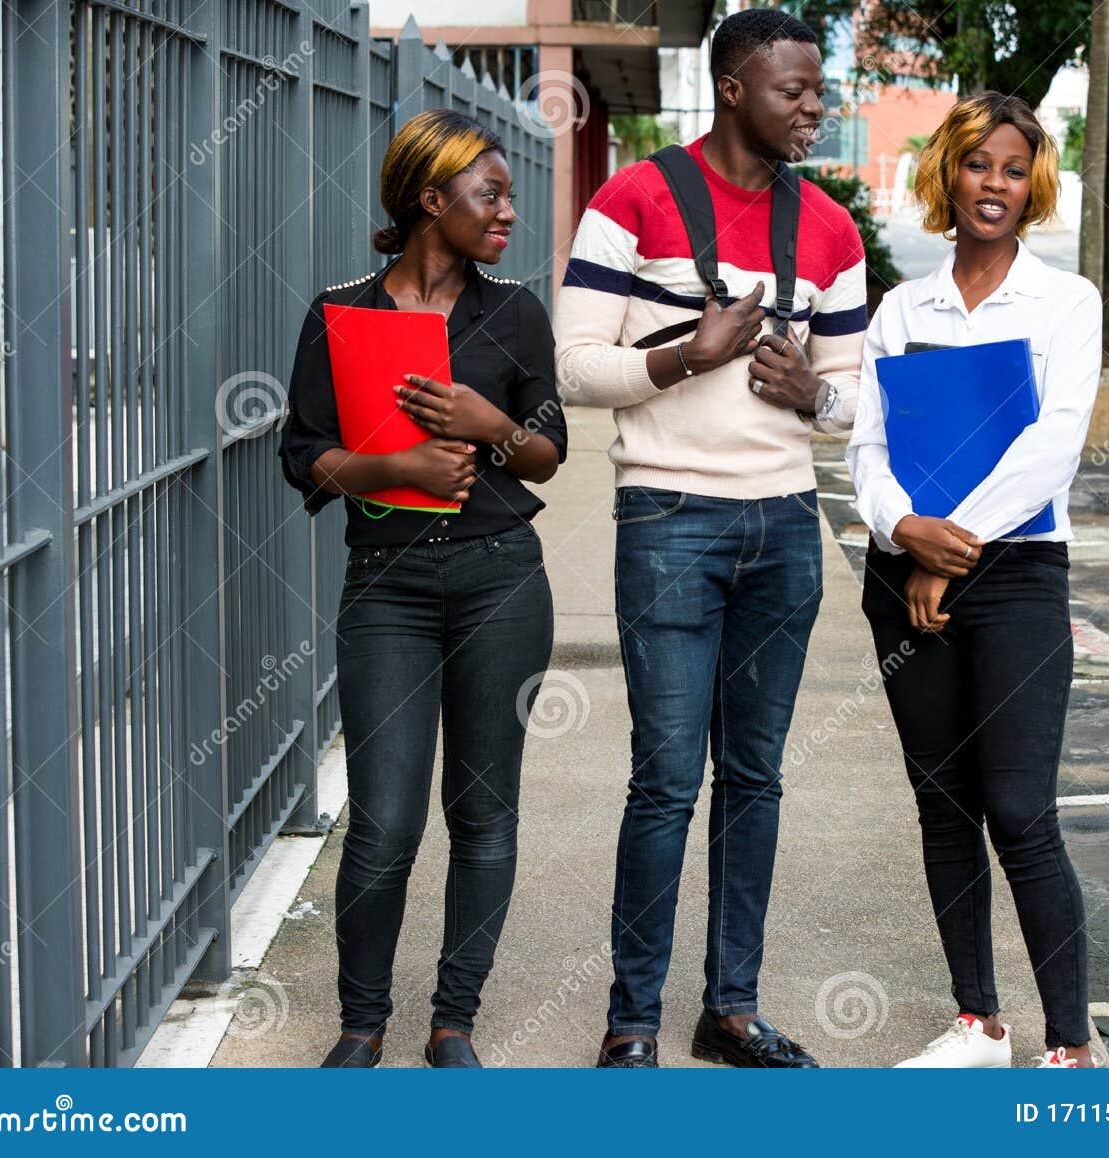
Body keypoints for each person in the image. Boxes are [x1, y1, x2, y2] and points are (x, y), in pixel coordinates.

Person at [553, 8, 867, 1068]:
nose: (814, 108)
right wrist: (686, 354)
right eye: (794, 90)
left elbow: (857, 402)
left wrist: (813, 393)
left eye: (819, 90)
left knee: (756, 778)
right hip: (668, 519)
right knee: (665, 781)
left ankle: (730, 1008)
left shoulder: (830, 229)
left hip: (784, 525)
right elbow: (572, 367)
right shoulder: (632, 198)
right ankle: (631, 1022)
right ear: (733, 88)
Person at [279, 109, 567, 1069]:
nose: (508, 213)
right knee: (384, 820)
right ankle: (361, 1023)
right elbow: (304, 453)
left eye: (510, 196)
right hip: (386, 587)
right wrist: (393, 468)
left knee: (482, 813)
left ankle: (454, 1023)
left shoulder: (515, 312)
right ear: (431, 199)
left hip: (500, 583)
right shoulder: (341, 312)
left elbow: (548, 452)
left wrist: (492, 426)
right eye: (491, 195)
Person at [846, 92, 1103, 1069]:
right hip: (903, 575)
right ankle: (977, 1025)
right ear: (945, 174)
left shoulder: (1065, 302)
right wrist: (903, 532)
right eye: (977, 164)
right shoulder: (901, 310)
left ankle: (1070, 1047)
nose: (994, 183)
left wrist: (947, 547)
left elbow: (1053, 445)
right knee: (944, 804)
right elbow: (869, 445)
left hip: (1017, 572)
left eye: (1013, 169)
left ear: (1033, 185)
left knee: (1021, 810)